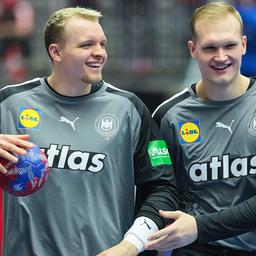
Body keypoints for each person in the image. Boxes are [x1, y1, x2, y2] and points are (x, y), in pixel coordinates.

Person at [0, 7, 178, 256]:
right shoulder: (9, 103)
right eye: (87, 45)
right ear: (56, 51)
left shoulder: (129, 109)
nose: (100, 53)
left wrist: (131, 245)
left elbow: (163, 188)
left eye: (103, 44)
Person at [147, 2, 256, 255]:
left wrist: (199, 226)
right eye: (210, 48)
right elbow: (159, 192)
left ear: (244, 45)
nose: (220, 56)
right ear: (193, 49)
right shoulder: (167, 116)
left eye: (229, 45)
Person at [0, 0, 34, 83]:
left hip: (21, 46)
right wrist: (13, 29)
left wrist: (6, 29)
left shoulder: (23, 6)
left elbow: (25, 30)